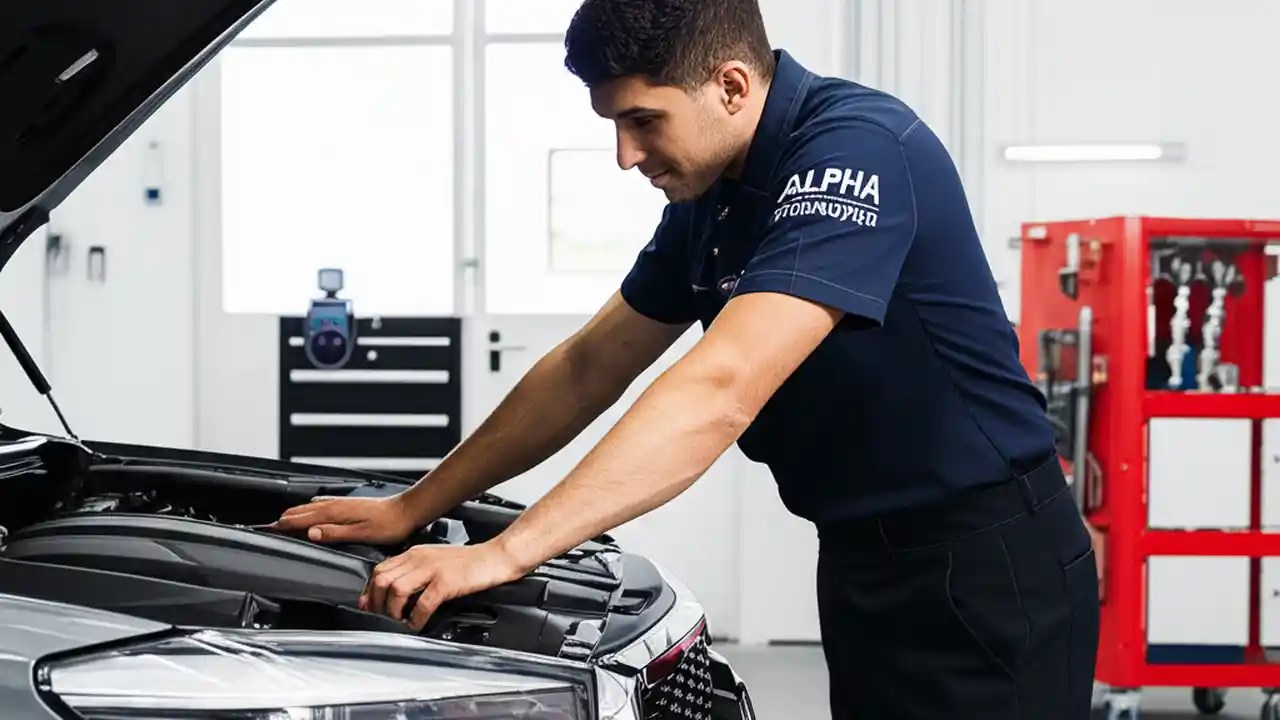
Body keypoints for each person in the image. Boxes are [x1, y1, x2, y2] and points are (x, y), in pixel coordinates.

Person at [271, 0, 1101, 716]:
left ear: (731, 86)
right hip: (861, 557)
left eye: (643, 120)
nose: (627, 155)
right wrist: (418, 503)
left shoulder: (859, 150)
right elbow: (590, 364)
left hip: (986, 565)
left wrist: (504, 552)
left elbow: (720, 388)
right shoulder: (715, 196)